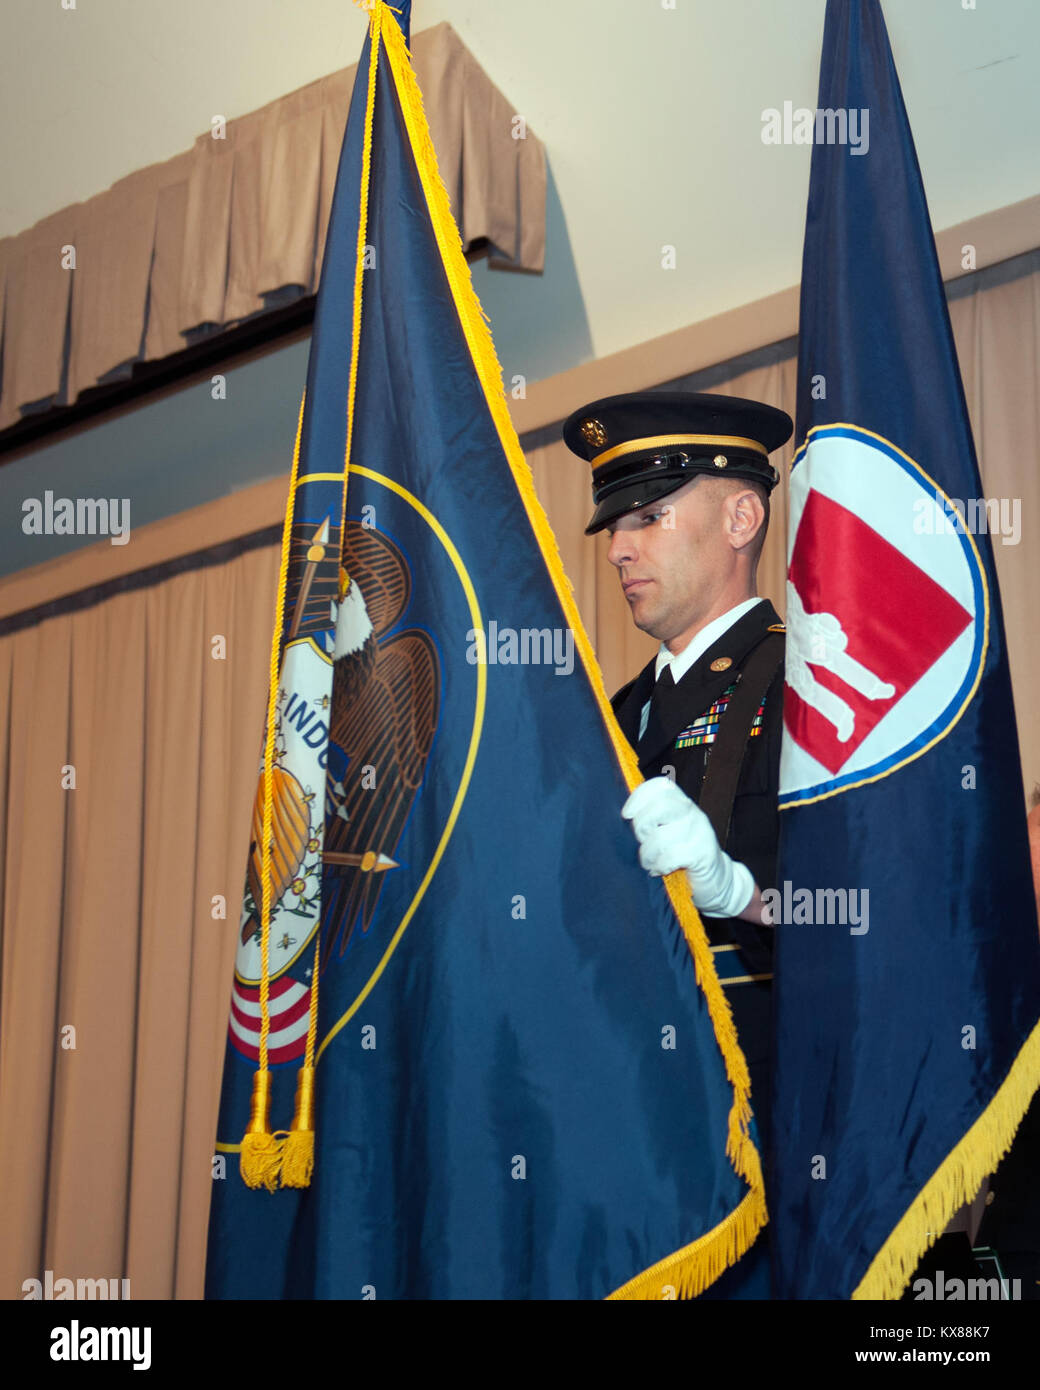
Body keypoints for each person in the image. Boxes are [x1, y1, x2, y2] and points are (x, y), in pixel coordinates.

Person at [564, 389, 793, 1297]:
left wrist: (734, 889)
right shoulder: (603, 724)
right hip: (627, 1150)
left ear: (742, 516)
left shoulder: (816, 679)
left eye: (650, 515)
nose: (620, 548)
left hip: (767, 1149)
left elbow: (882, 919)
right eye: (614, 524)